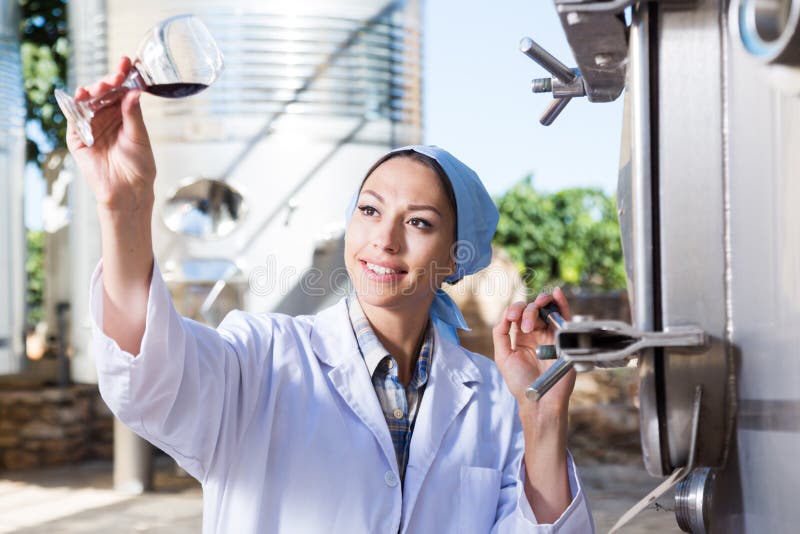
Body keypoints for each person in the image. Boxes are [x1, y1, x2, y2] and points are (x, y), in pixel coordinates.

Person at [67, 56, 594, 533]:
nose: (384, 239)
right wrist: (126, 208)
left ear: (456, 257)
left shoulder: (494, 398)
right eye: (369, 210)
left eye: (418, 221)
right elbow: (149, 376)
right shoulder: (262, 359)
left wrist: (544, 417)